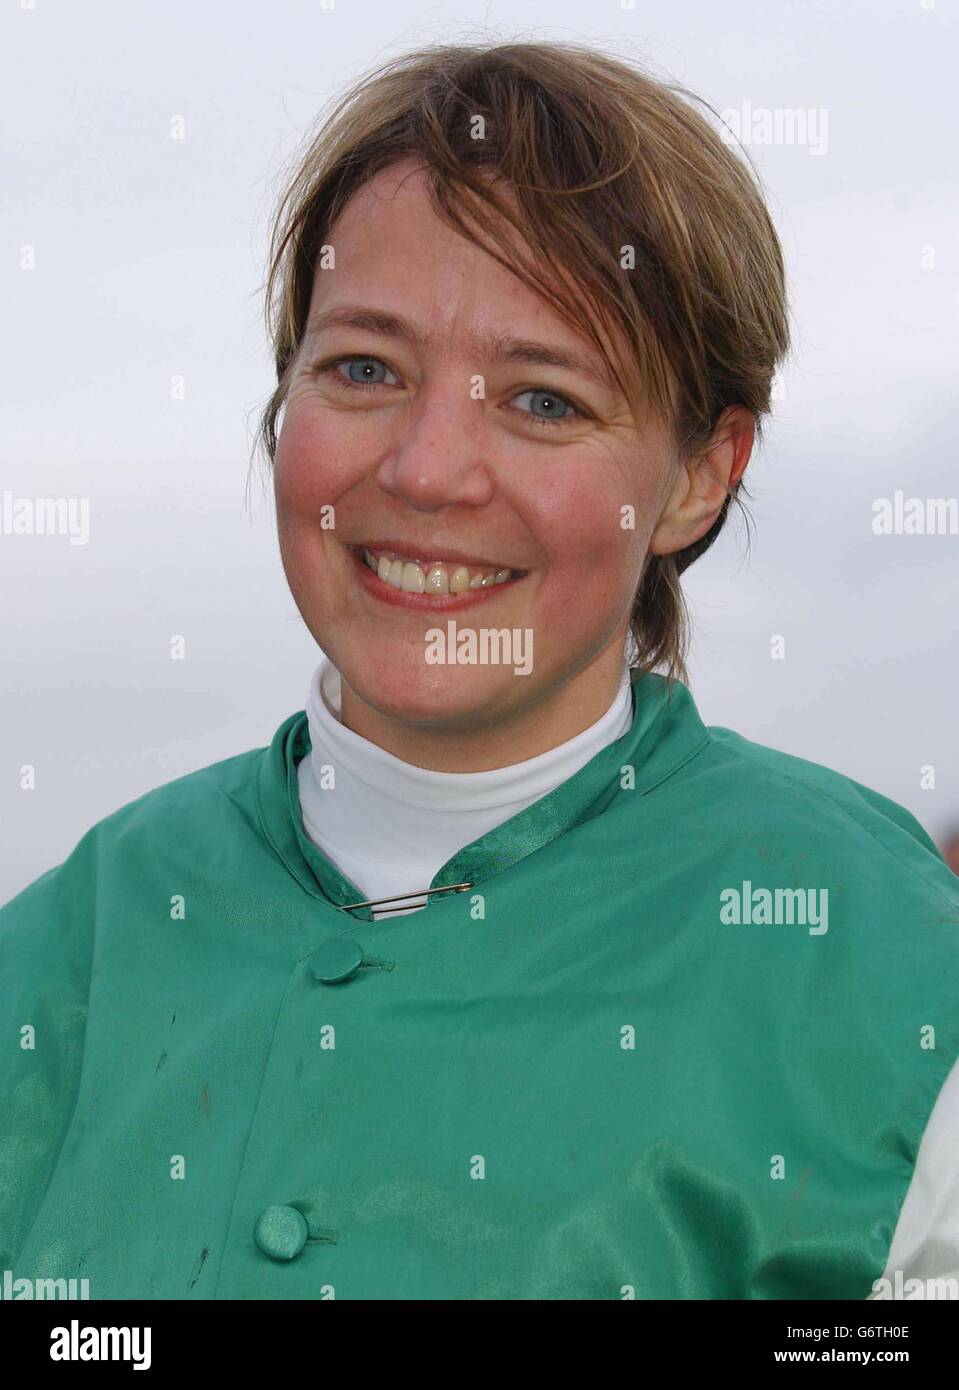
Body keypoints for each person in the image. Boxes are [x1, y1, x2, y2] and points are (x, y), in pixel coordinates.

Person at [2, 39, 958, 1302]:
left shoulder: (896, 973)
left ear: (696, 474)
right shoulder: (61, 955)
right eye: (362, 369)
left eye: (544, 400)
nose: (424, 469)